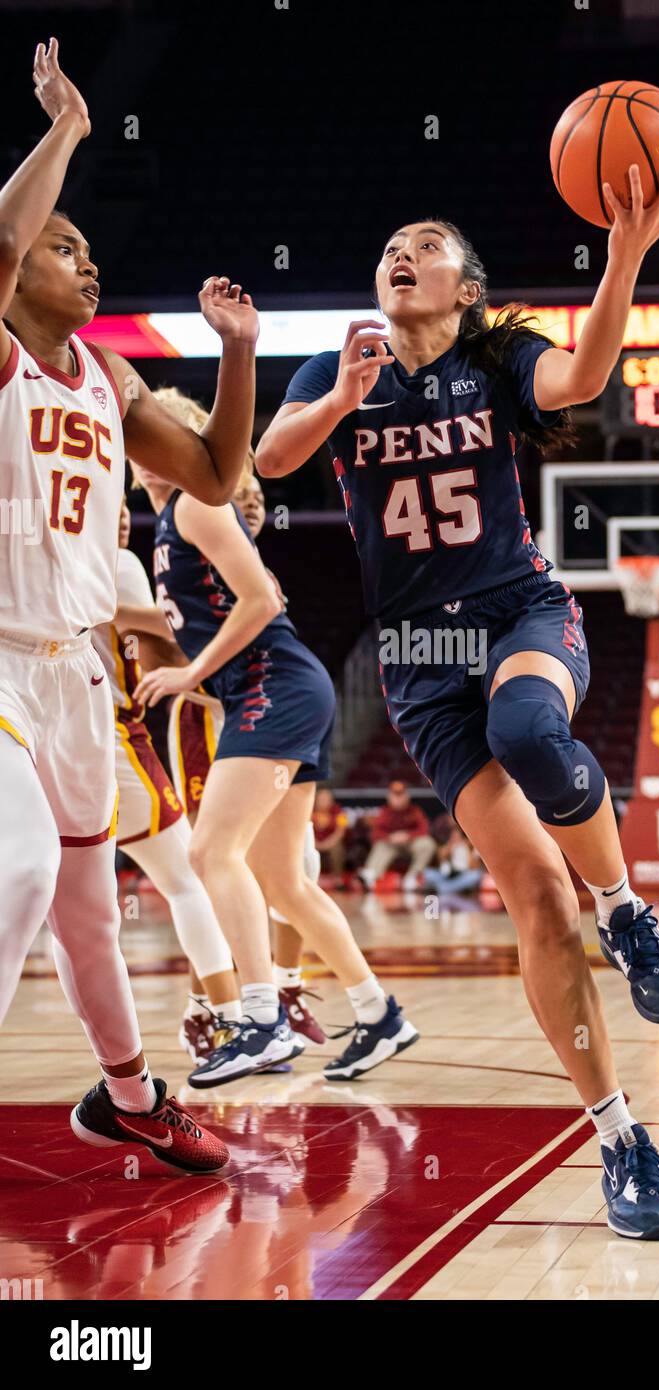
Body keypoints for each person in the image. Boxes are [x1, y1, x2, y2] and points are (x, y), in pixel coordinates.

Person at [257, 172, 659, 1240]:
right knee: (535, 904)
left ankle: (629, 914)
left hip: (516, 612)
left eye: (425, 244)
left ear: (466, 288)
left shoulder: (495, 360)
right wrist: (338, 401)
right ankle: (620, 1138)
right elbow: (269, 462)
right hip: (414, 661)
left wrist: (625, 248)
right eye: (389, 245)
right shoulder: (338, 370)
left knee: (530, 730)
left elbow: (587, 371)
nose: (399, 254)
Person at [0, 38, 256, 1171]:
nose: (85, 264)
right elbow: (2, 235)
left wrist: (238, 353)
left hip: (75, 673)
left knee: (91, 907)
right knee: (15, 866)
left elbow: (213, 472)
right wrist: (66, 132)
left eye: (93, 251)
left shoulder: (107, 379)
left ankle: (130, 1094)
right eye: (66, 248)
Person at [131, 403, 419, 1085]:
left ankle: (261, 1023)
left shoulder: (197, 506)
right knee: (284, 880)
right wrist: (202, 681)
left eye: (147, 432)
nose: (137, 446)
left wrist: (190, 673)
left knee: (209, 851)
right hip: (273, 687)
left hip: (277, 684)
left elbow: (262, 601)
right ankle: (378, 1013)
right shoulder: (173, 523)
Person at [92, 498, 239, 1058]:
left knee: (69, 902)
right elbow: (164, 651)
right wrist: (219, 618)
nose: (122, 510)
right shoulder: (121, 563)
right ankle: (224, 1019)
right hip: (108, 734)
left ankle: (207, 1015)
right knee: (190, 880)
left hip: (46, 732)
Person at [360, 779, 437, 889]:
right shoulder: (385, 812)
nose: (398, 798)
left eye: (401, 795)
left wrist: (408, 835)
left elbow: (424, 829)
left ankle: (413, 877)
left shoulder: (415, 811)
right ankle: (370, 876)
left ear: (407, 796)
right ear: (389, 797)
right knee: (381, 845)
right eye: (395, 795)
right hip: (392, 844)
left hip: (411, 843)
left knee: (427, 843)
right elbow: (376, 832)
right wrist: (390, 837)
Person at [423, 825, 484, 898]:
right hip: (448, 875)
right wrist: (450, 846)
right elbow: (440, 858)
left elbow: (473, 867)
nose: (455, 838)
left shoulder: (470, 847)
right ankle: (449, 888)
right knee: (427, 873)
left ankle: (445, 888)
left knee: (476, 876)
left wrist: (467, 847)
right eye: (453, 836)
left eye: (457, 836)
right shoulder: (450, 846)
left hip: (463, 875)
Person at [313, 786, 350, 877]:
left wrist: (328, 844)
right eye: (321, 799)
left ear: (331, 800)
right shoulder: (309, 810)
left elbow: (341, 831)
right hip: (313, 841)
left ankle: (338, 878)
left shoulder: (340, 811)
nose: (323, 801)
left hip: (331, 842)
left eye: (326, 799)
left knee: (337, 849)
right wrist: (315, 843)